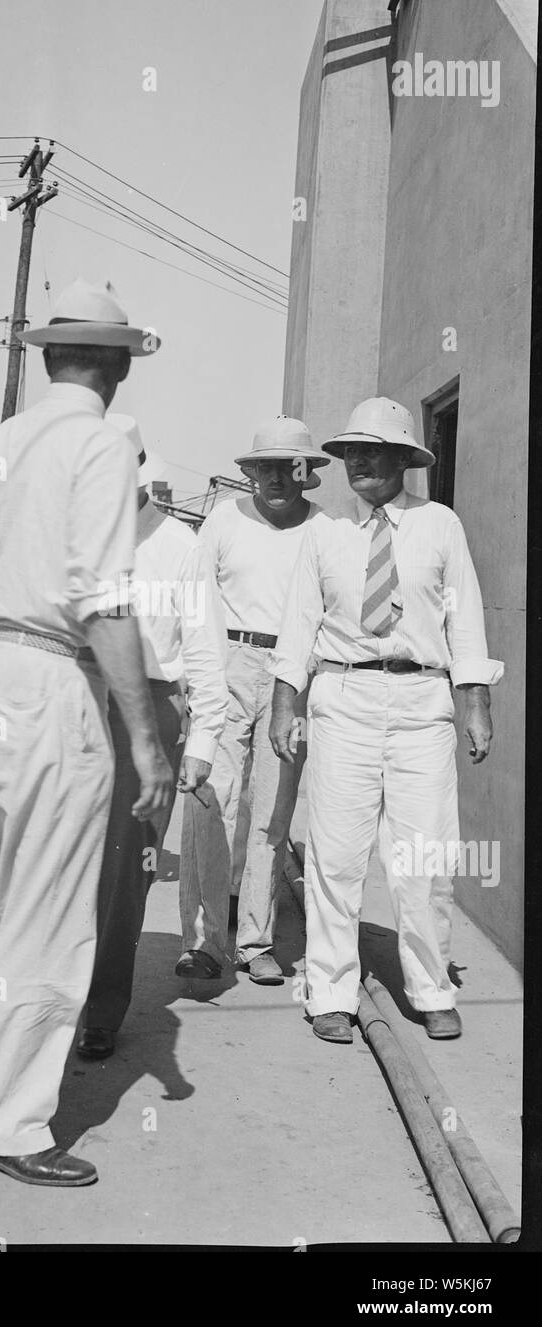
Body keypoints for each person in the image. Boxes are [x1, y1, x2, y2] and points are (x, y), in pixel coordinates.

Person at [0, 278, 172, 1188]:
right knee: (54, 910)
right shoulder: (100, 444)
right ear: (113, 364)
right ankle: (9, 1125)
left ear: (50, 355)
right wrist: (145, 740)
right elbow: (102, 597)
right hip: (49, 677)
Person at [268, 397, 503, 1043]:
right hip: (343, 699)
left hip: (421, 704)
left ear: (404, 458)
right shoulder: (324, 530)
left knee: (423, 857)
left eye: (374, 450)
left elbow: (466, 619)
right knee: (336, 858)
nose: (360, 461)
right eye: (350, 451)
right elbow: (297, 623)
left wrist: (473, 704)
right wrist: (284, 702)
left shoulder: (439, 525)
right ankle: (331, 993)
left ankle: (430, 988)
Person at [77, 414, 229, 1061]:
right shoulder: (72, 536)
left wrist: (199, 746)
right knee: (57, 859)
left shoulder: (180, 545)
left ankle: (99, 1009)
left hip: (152, 712)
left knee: (124, 870)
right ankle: (42, 1002)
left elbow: (203, 651)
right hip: (75, 703)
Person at [178, 419, 328, 982]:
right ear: (249, 471)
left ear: (307, 472)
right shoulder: (220, 523)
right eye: (264, 466)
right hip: (227, 664)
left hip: (294, 674)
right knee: (212, 799)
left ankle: (256, 940)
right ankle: (203, 940)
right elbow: (192, 606)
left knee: (271, 810)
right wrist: (199, 676)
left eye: (289, 466)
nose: (276, 478)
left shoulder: (324, 530)